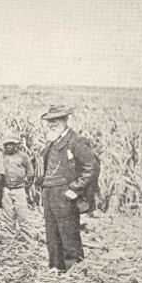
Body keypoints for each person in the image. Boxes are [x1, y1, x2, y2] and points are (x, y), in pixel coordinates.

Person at [36, 105, 100, 272]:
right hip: (49, 192)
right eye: (49, 121)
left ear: (65, 121)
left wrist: (75, 189)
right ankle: (56, 267)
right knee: (52, 232)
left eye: (55, 120)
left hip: (65, 193)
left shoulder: (76, 141)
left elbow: (91, 168)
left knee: (68, 231)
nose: (51, 124)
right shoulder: (52, 143)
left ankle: (74, 269)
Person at [0, 133, 36, 241]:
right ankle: (10, 239)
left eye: (11, 144)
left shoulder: (23, 156)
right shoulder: (1, 156)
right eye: (6, 144)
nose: (9, 147)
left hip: (19, 189)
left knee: (22, 215)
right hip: (6, 189)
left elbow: (30, 173)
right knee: (8, 214)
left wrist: (26, 186)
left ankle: (27, 238)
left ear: (16, 145)